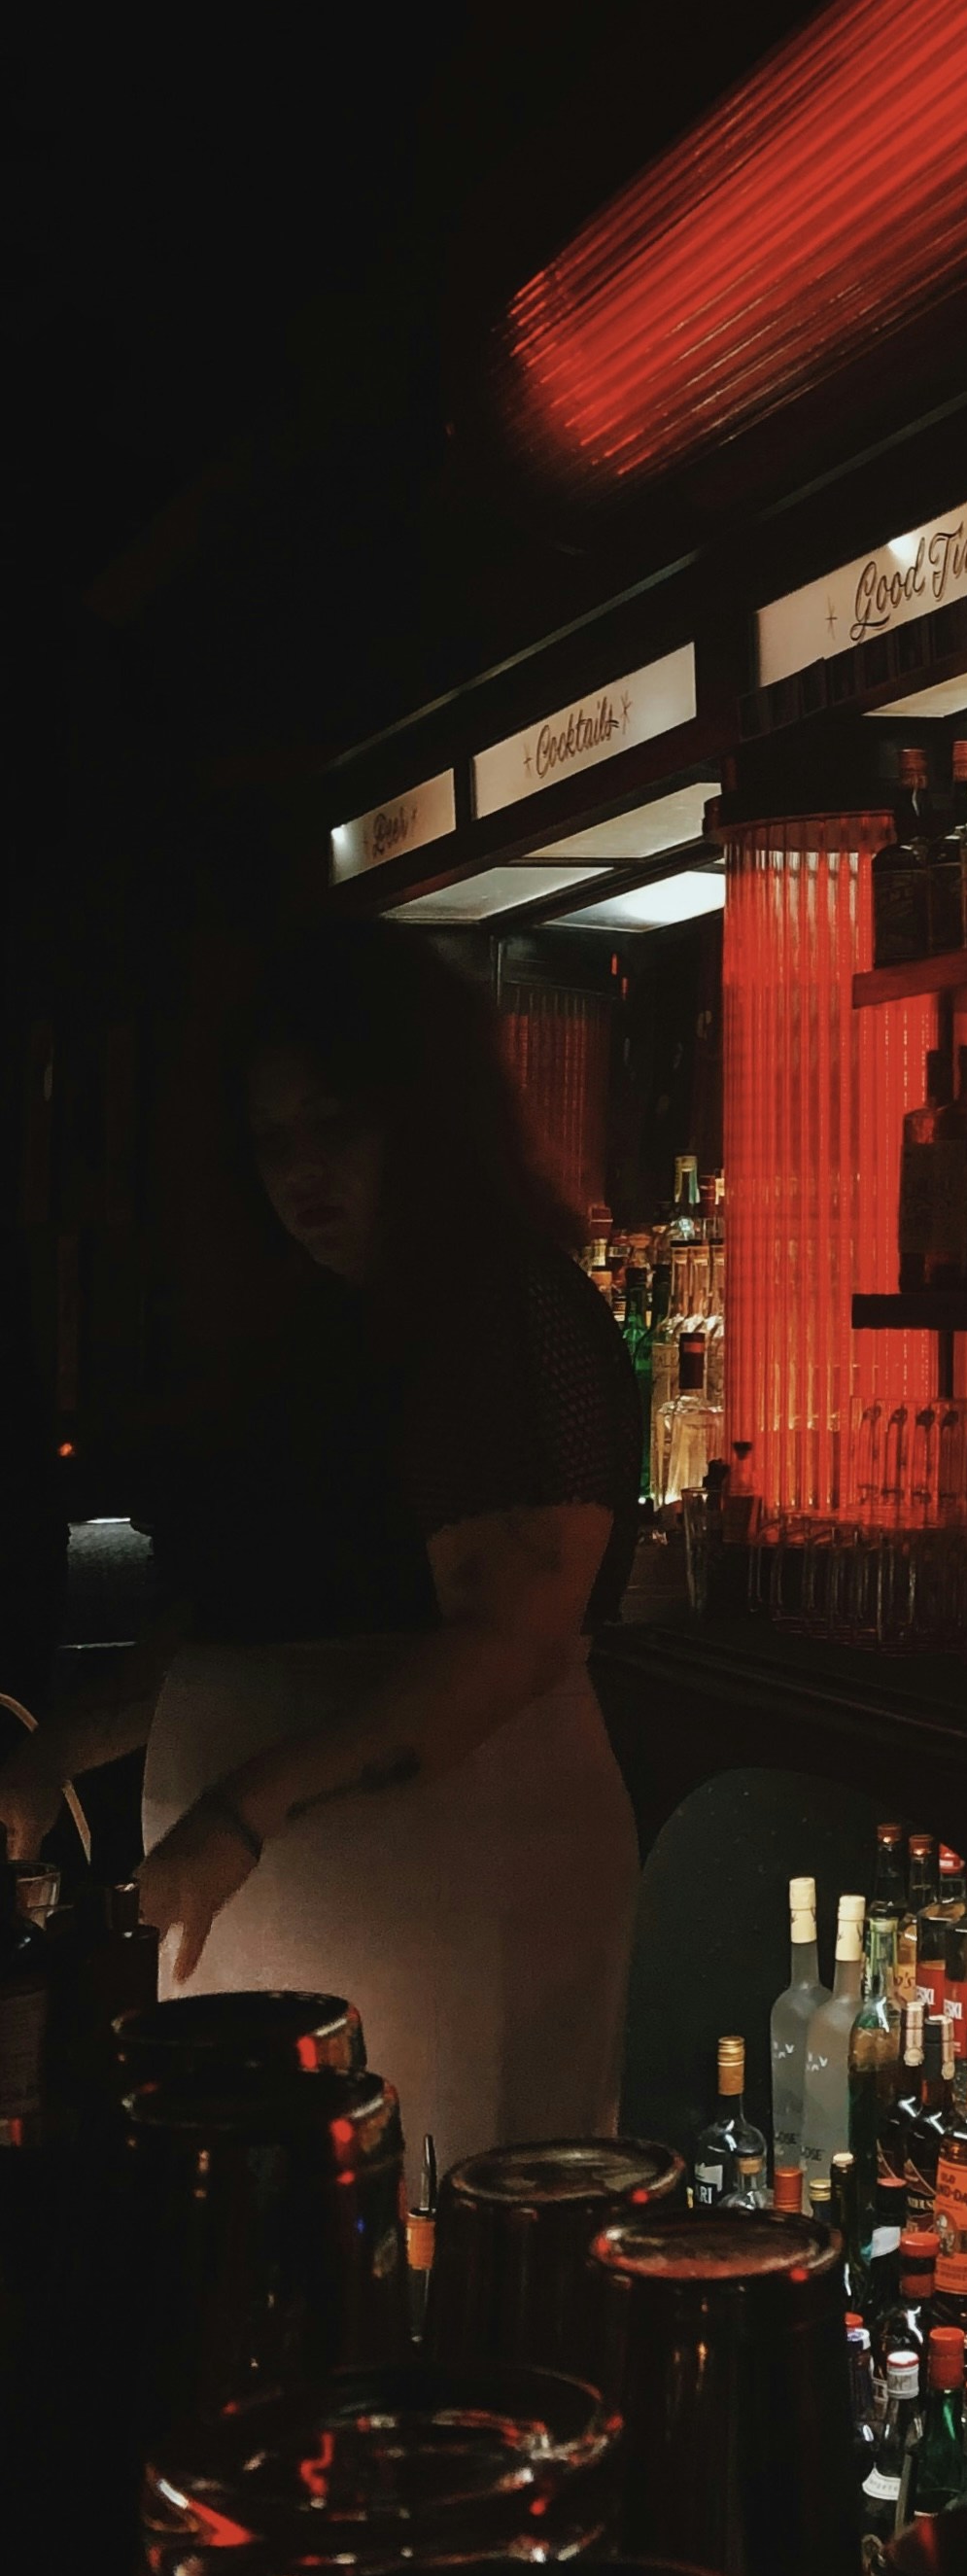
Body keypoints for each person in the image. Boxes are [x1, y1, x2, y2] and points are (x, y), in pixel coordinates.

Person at [0, 922, 643, 2171]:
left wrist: (240, 1816)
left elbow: (506, 1643)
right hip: (305, 1910)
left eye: (333, 1124)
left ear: (427, 1116)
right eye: (272, 1140)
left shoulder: (501, 1313)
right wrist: (55, 1759)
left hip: (451, 1901)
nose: (299, 1172)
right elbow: (243, 1622)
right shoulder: (326, 1331)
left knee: (423, 2275)